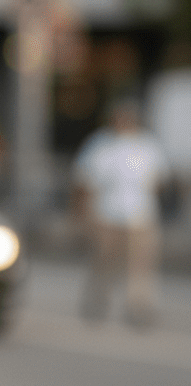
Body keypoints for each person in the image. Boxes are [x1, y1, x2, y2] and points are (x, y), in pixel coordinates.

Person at [73, 99, 170, 328]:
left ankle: (138, 307)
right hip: (107, 214)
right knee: (103, 262)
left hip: (140, 215)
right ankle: (97, 301)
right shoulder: (100, 144)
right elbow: (84, 180)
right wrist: (82, 214)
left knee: (141, 265)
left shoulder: (147, 146)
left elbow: (160, 178)